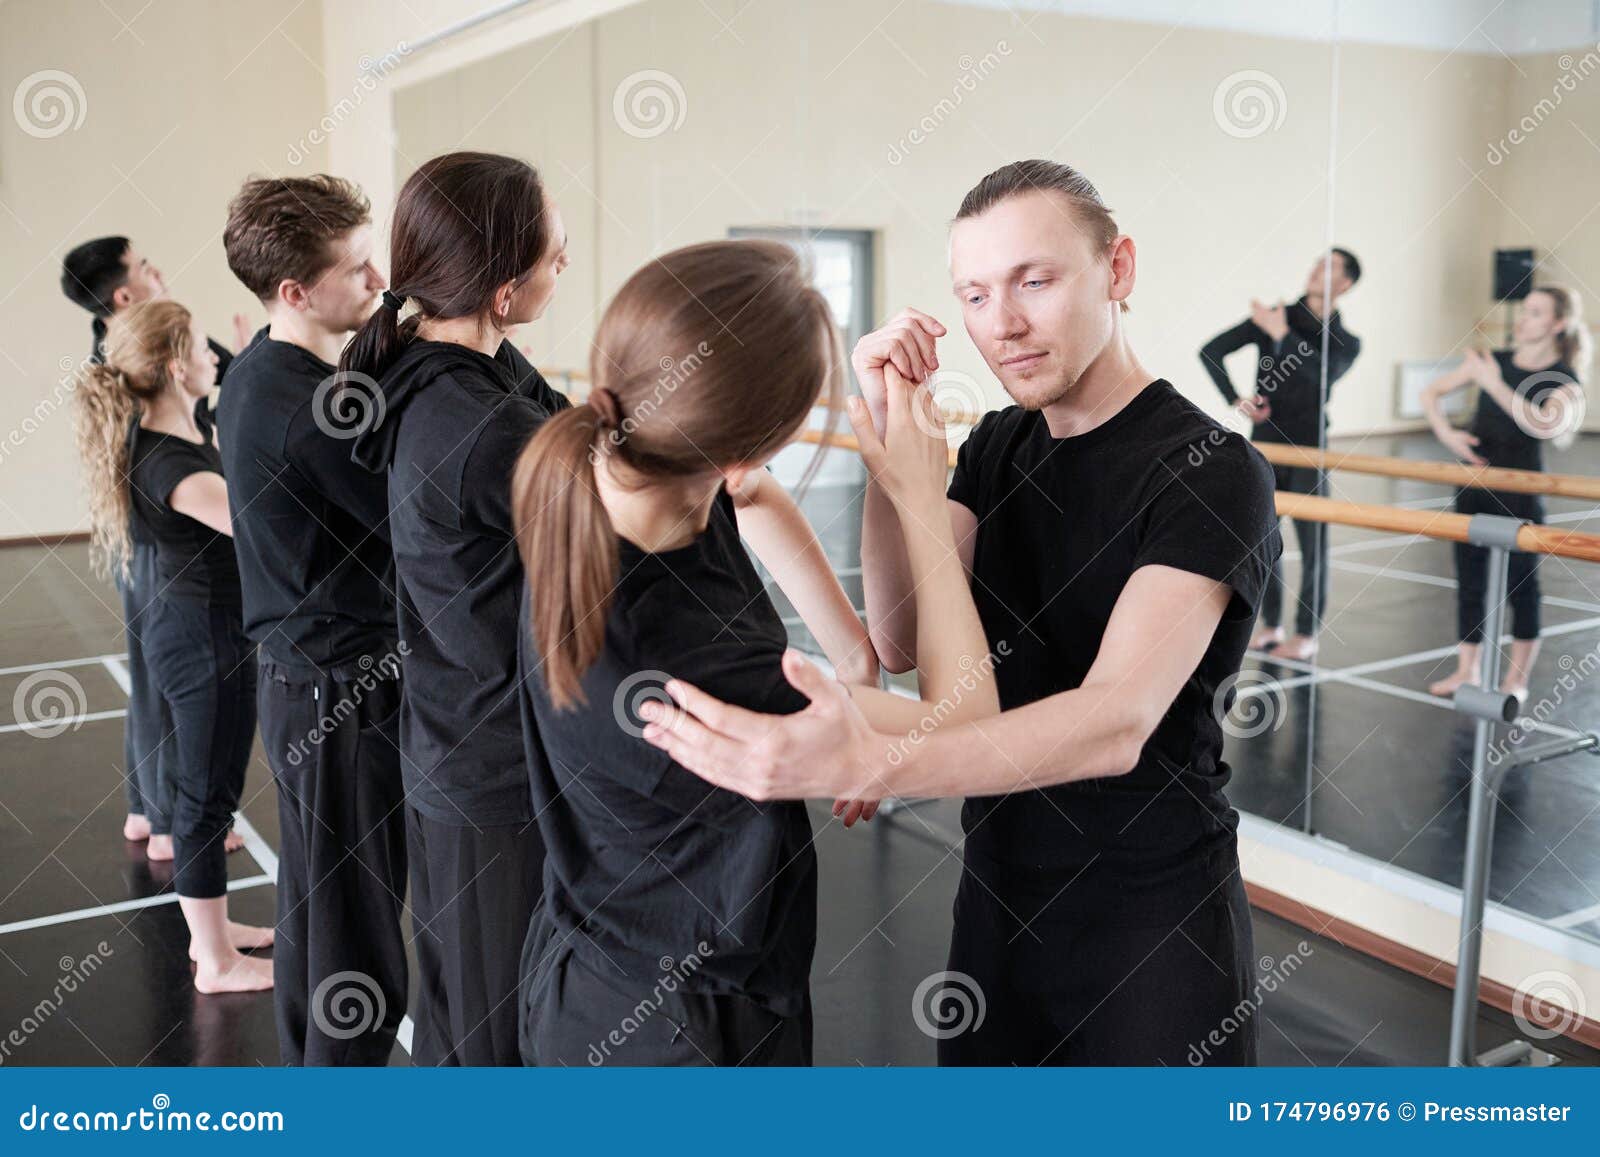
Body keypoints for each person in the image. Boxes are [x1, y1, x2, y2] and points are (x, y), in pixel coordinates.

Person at [640, 160, 1281, 1067]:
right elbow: (902, 634)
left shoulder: (1212, 470)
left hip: (1149, 920)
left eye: (1035, 280)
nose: (1004, 323)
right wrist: (887, 429)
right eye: (974, 295)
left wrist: (880, 754)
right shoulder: (997, 446)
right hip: (1001, 895)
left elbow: (1114, 723)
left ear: (1119, 270)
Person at [511, 238, 997, 1066]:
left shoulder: (602, 479)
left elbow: (755, 495)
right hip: (683, 1037)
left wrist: (852, 653)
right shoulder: (707, 664)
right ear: (738, 453)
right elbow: (971, 729)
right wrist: (918, 490)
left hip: (585, 973)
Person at [347, 151, 570, 1066]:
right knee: (486, 1039)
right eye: (559, 254)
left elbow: (559, 418)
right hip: (489, 769)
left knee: (463, 1018)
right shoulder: (476, 422)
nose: (568, 266)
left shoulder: (446, 374)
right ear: (507, 288)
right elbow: (615, 516)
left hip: (458, 750)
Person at [218, 175, 405, 1064]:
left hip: (305, 679)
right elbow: (419, 519)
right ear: (296, 292)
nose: (379, 282)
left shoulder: (259, 368)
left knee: (322, 907)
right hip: (338, 688)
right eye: (357, 269)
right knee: (353, 928)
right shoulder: (306, 407)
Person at [72, 300, 272, 993]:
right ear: (172, 366)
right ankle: (214, 960)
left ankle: (210, 931)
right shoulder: (172, 469)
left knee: (214, 792)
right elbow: (260, 521)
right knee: (203, 799)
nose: (214, 354)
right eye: (202, 349)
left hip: (205, 631)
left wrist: (247, 371)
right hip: (202, 642)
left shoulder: (184, 436)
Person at [60, 236, 247, 858]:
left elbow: (219, 378)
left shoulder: (132, 348)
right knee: (170, 677)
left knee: (153, 672)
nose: (158, 271)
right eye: (146, 267)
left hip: (156, 539)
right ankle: (173, 819)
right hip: (161, 547)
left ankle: (151, 810)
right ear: (123, 294)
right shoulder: (138, 351)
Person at [1423, 286, 1591, 701]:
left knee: (1522, 586)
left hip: (1520, 490)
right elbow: (1430, 393)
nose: (1523, 319)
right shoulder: (1492, 361)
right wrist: (1448, 435)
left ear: (1557, 324)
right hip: (1475, 481)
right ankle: (1468, 671)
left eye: (1535, 313)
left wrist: (1494, 384)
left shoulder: (1564, 379)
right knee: (1470, 580)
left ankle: (1516, 680)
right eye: (1524, 311)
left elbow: (1544, 423)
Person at [1200, 248, 1362, 661]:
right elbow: (1211, 351)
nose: (1317, 270)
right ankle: (1271, 624)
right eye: (1317, 263)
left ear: (1344, 284)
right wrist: (1236, 398)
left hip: (1310, 449)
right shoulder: (1277, 314)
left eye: (1330, 268)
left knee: (1314, 544)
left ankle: (1307, 633)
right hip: (1266, 444)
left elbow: (1321, 377)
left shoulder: (1347, 342)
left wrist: (1280, 335)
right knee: (1263, 541)